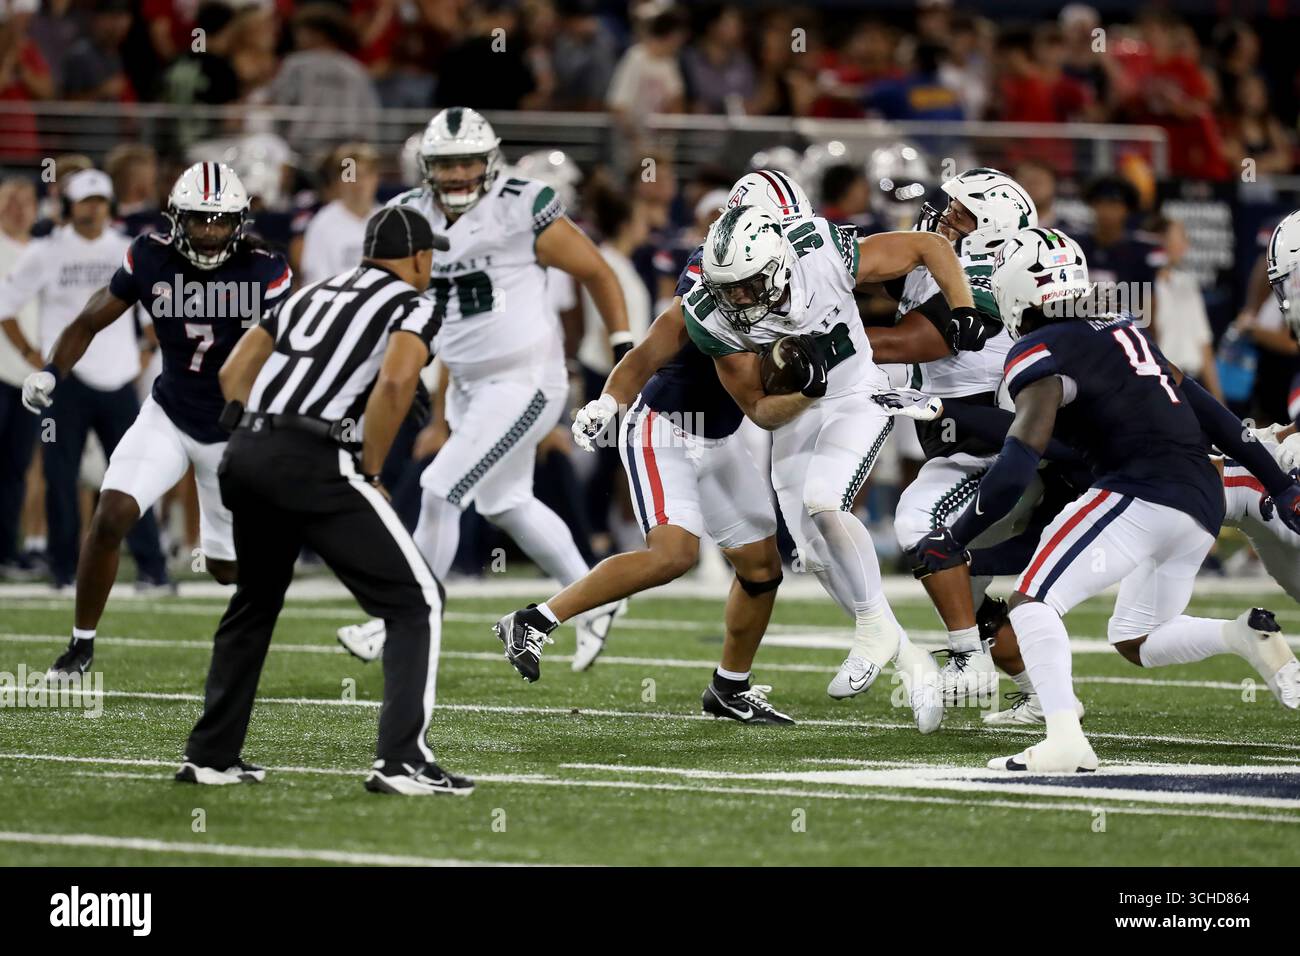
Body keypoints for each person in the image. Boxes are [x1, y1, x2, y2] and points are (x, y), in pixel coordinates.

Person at [913, 226, 1300, 771]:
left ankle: (1064, 741)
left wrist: (955, 536)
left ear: (1016, 290)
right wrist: (1280, 486)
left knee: (1033, 603)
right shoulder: (1125, 330)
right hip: (1201, 500)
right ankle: (1240, 636)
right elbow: (1209, 409)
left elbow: (1021, 455)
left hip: (1138, 490)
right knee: (1137, 636)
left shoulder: (1037, 349)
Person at [497, 170, 815, 722]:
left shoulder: (806, 264)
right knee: (673, 556)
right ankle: (535, 619)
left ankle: (729, 688)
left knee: (761, 570)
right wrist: (610, 400)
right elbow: (653, 352)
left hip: (723, 433)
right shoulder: (714, 278)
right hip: (668, 425)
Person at [177, 206, 471, 796]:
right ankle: (401, 761)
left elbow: (234, 371)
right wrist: (372, 467)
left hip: (248, 451)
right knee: (417, 601)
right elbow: (394, 381)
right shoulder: (414, 303)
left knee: (254, 603)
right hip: (314, 462)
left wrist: (248, 431)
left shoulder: (308, 293)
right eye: (429, 255)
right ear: (417, 256)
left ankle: (211, 756)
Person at [335, 107, 632, 668]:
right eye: (446, 164)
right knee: (506, 501)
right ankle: (594, 599)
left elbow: (597, 270)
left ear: (490, 161)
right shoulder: (408, 216)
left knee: (441, 488)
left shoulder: (522, 206)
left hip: (526, 380)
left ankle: (403, 617)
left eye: (469, 160)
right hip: (470, 380)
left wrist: (621, 347)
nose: (457, 174)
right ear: (426, 167)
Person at [680, 203, 973, 726]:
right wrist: (806, 391)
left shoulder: (818, 250)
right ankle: (912, 663)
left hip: (860, 393)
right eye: (729, 289)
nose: (738, 300)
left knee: (824, 501)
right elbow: (759, 411)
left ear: (776, 261)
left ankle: (871, 628)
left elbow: (929, 246)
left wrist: (963, 305)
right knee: (815, 555)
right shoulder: (709, 308)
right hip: (797, 417)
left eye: (747, 285)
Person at [24, 163, 292, 680]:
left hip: (232, 430)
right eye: (199, 220)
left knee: (225, 568)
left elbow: (295, 346)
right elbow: (89, 318)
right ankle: (80, 647)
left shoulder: (265, 267)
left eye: (219, 221)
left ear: (238, 221)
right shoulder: (149, 255)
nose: (210, 232)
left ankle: (247, 632)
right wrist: (54, 370)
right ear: (176, 218)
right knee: (112, 513)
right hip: (169, 413)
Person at [1, 168, 168, 593]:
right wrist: (35, 357)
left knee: (135, 479)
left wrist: (147, 353)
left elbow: (152, 314)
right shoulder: (45, 252)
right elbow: (6, 307)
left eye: (100, 201)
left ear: (110, 205)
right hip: (65, 382)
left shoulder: (130, 250)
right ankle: (63, 570)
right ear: (68, 206)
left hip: (120, 380)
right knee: (60, 477)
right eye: (84, 201)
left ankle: (153, 569)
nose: (93, 209)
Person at [0, 176, 38, 578]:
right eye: (10, 199)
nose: (17, 207)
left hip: (29, 379)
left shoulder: (42, 252)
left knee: (16, 470)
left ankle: (7, 550)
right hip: (4, 368)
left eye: (26, 200)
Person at [299, 142, 381, 286]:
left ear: (375, 178)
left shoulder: (388, 219)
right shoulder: (322, 224)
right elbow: (316, 280)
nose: (358, 184)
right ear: (338, 182)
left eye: (364, 175)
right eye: (350, 176)